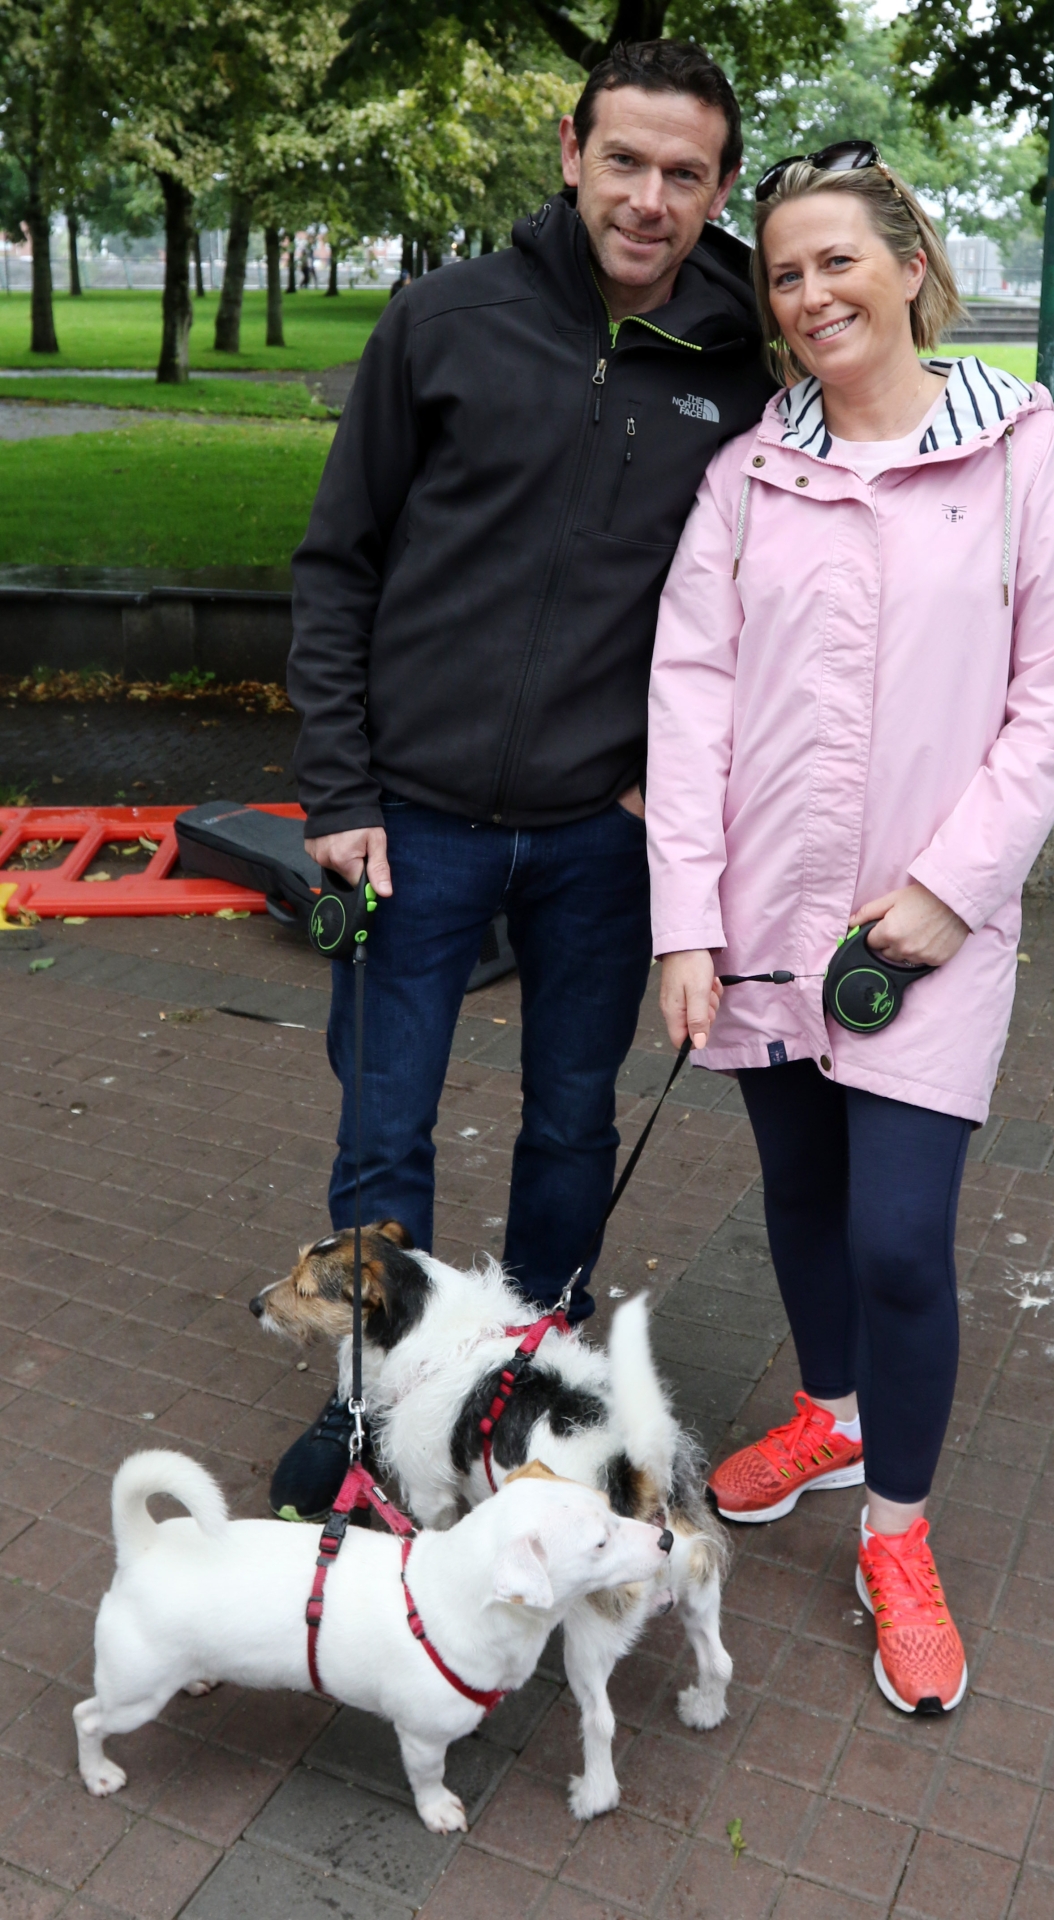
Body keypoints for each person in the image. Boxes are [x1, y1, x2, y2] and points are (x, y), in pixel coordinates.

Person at [274, 40, 776, 1520]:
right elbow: (338, 563)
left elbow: (769, 602)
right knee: (383, 1132)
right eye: (624, 160)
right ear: (571, 150)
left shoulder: (742, 369)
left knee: (570, 1125)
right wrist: (339, 791)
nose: (649, 198)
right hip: (409, 824)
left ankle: (533, 1390)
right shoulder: (446, 319)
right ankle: (373, 1413)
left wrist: (674, 785)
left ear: (719, 189)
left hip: (598, 839)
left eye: (685, 173)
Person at [647, 145, 1054, 1717]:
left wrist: (952, 890)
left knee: (900, 1238)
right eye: (783, 273)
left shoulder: (1025, 455)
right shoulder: (747, 477)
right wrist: (686, 925)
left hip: (931, 929)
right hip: (765, 912)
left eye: (836, 259)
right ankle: (831, 1414)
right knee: (798, 1191)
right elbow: (689, 702)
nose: (809, 294)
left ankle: (896, 1536)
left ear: (910, 265)